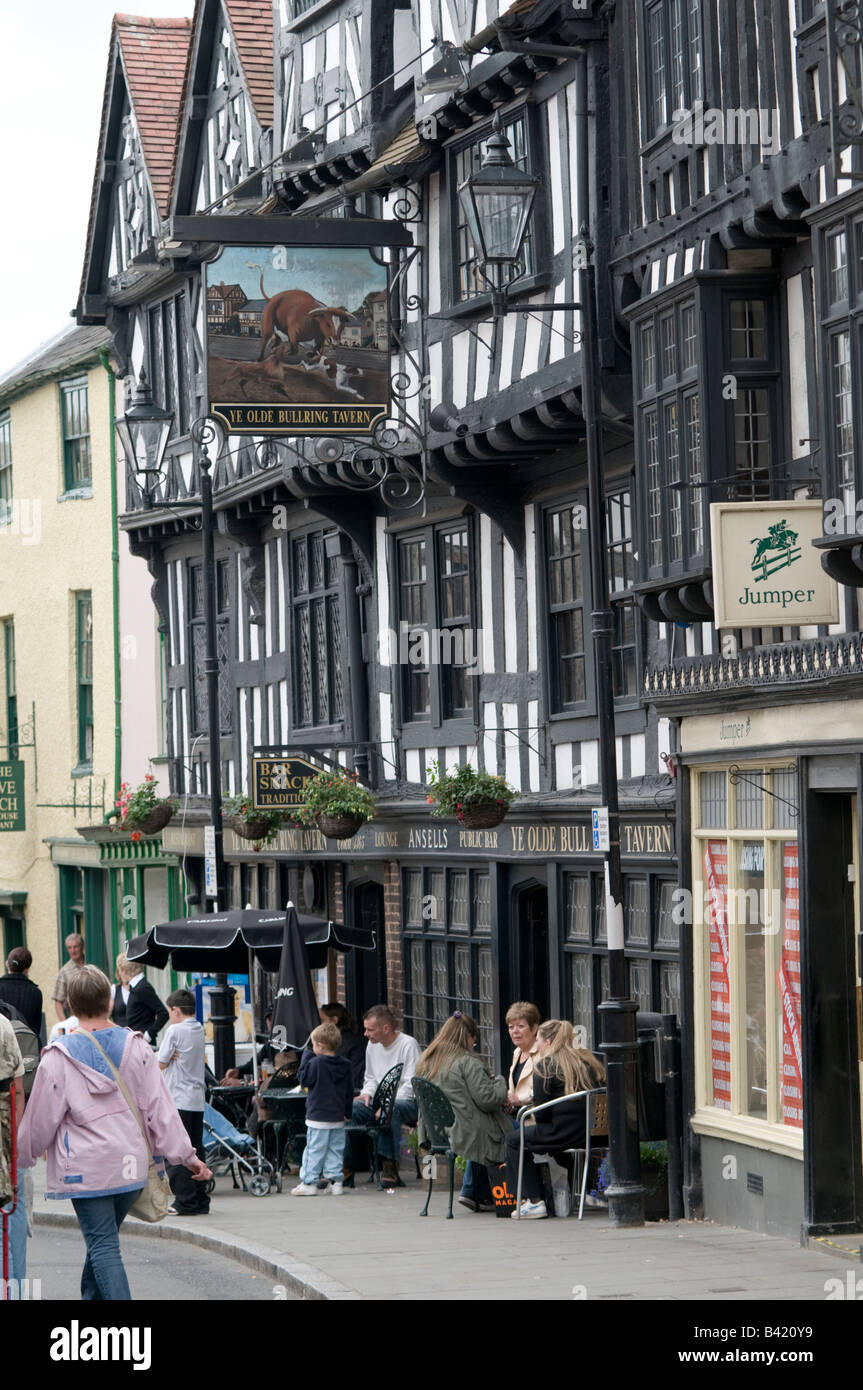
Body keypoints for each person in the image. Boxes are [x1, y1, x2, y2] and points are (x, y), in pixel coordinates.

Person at [17, 964, 211, 1301]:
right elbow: (161, 1109)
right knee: (103, 1243)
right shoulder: (137, 1047)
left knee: (103, 1246)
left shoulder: (59, 1057)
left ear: (72, 1008)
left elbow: (40, 1119)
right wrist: (188, 1157)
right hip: (130, 1165)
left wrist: (20, 1157)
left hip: (85, 1169)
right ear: (109, 1002)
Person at [505, 1018, 605, 1220]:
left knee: (514, 1140)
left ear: (548, 1043)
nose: (537, 1046)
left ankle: (533, 1201)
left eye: (538, 1041)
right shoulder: (588, 1062)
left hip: (564, 1134)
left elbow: (541, 1117)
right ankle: (586, 1192)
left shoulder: (546, 1067)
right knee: (556, 1148)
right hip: (596, 1134)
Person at [415, 1012, 510, 1211]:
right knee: (515, 1131)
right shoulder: (468, 1062)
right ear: (467, 1037)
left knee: (483, 1128)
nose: (473, 1045)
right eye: (473, 1040)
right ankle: (521, 1195)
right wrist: (501, 1081)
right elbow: (487, 1100)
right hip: (465, 1131)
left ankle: (473, 1192)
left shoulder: (426, 1061)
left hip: (438, 1133)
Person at [461, 1000, 541, 1211]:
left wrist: (518, 1100)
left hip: (533, 1119)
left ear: (534, 1028)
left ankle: (473, 1191)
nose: (515, 1031)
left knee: (486, 1129)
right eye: (511, 1027)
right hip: (517, 1114)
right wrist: (507, 1100)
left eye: (521, 1026)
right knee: (483, 1127)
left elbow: (545, 1091)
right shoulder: (517, 1053)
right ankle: (477, 1192)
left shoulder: (542, 1055)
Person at [347, 1005, 421, 1187]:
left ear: (385, 1028)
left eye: (370, 1029)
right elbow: (371, 1078)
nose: (365, 1034)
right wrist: (366, 1094)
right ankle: (346, 1166)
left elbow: (412, 1083)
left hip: (407, 1102)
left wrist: (387, 1103)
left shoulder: (408, 1044)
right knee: (350, 1110)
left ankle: (389, 1166)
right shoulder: (372, 1046)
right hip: (378, 1100)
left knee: (391, 1110)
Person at [157, 989, 209, 1216]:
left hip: (177, 1097)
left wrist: (167, 1058)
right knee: (196, 1149)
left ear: (176, 1010)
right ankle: (200, 1198)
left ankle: (184, 1201)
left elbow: (160, 1063)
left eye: (170, 1011)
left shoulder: (175, 1030)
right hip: (197, 1099)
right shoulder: (199, 1029)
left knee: (177, 1151)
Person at [291, 1021, 353, 1196]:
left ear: (320, 1045)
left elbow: (303, 1079)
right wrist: (347, 1112)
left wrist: (306, 1055)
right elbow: (349, 1091)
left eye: (313, 1044)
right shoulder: (345, 1065)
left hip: (318, 1115)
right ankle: (336, 1182)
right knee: (335, 1149)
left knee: (314, 1149)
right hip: (338, 1117)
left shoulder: (316, 1063)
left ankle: (309, 1182)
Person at [0, 1009, 27, 1295]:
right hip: (7, 1128)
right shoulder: (3, 1024)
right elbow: (17, 1090)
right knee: (10, 1214)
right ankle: (17, 1290)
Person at [319, 1002, 366, 1090]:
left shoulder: (343, 1042)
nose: (320, 1024)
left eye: (322, 1020)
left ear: (334, 1020)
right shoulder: (348, 1038)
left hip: (350, 1092)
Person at [220, 1010, 276, 1086]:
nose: (271, 1023)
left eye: (275, 1018)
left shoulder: (291, 1043)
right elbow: (253, 1065)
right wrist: (238, 1071)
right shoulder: (269, 1045)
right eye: (269, 1019)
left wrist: (242, 1083)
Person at [0, 947, 43, 1039]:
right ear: (27, 969)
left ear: (7, 964)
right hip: (27, 1048)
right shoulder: (35, 993)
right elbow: (36, 1029)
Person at [125, 964, 169, 1046]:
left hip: (143, 1043)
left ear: (125, 971)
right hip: (135, 1041)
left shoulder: (143, 988)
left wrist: (147, 1036)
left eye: (120, 970)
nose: (119, 974)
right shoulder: (136, 987)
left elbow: (163, 1013)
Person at [52, 932, 86, 1022]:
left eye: (75, 947)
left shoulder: (91, 963)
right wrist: (64, 1023)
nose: (73, 951)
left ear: (82, 947)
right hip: (75, 1019)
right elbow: (58, 1001)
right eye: (69, 948)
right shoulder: (64, 971)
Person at [110, 954, 133, 1028]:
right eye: (121, 970)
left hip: (137, 1036)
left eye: (127, 970)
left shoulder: (140, 989)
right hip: (119, 1035)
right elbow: (105, 1015)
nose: (124, 973)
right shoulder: (114, 990)